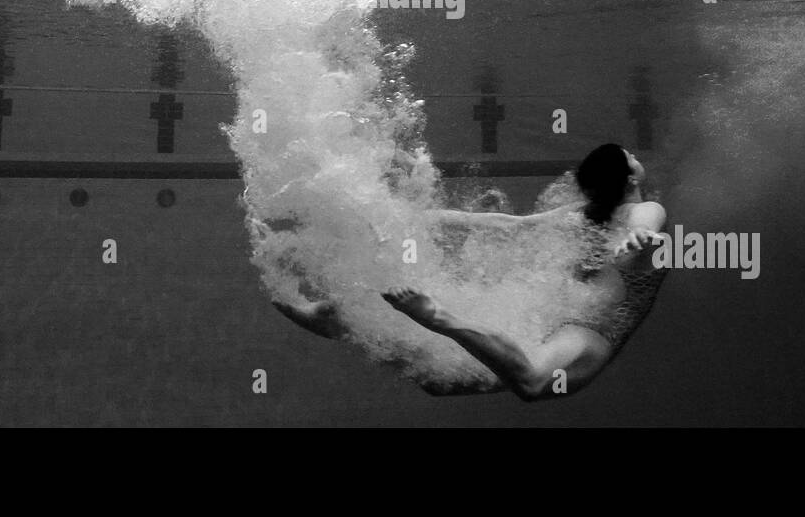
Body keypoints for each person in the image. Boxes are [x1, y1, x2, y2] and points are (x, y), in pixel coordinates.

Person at [272, 143, 667, 400]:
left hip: (563, 321)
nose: (637, 156)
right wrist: (640, 239)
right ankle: (440, 319)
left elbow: (508, 225)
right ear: (630, 177)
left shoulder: (595, 215)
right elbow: (643, 224)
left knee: (440, 382)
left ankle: (331, 316)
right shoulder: (639, 208)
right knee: (530, 383)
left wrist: (639, 240)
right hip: (591, 330)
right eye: (632, 155)